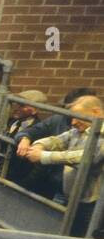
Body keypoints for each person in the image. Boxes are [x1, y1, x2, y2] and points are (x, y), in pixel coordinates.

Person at [19, 95, 104, 228]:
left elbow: (86, 157)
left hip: (90, 203)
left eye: (78, 117)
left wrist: (43, 156)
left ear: (96, 112)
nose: (73, 122)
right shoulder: (79, 131)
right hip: (70, 196)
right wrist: (39, 145)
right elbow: (57, 140)